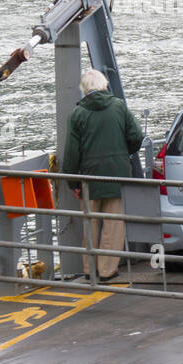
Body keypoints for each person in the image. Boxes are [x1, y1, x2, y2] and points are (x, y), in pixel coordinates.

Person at [60, 69, 143, 282]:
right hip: (118, 175)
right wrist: (124, 153)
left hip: (89, 178)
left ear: (85, 89)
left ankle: (89, 269)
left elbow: (71, 153)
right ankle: (107, 270)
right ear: (105, 86)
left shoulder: (77, 113)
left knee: (90, 223)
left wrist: (73, 182)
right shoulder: (119, 107)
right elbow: (136, 136)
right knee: (113, 225)